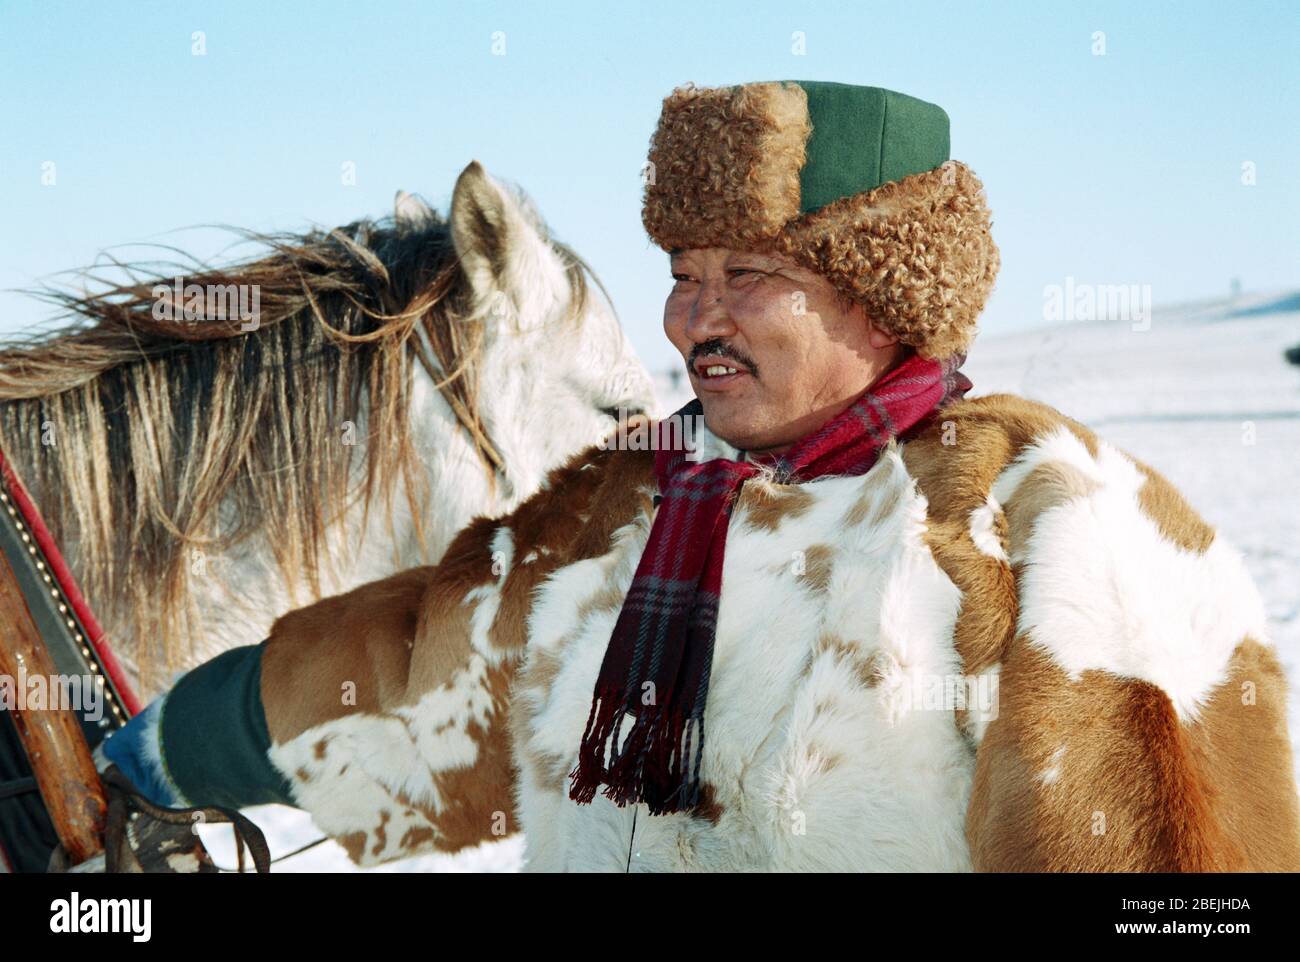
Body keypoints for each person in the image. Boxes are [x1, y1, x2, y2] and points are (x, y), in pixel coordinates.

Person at [104, 80, 1300, 872]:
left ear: (881, 294)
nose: (695, 319)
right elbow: (432, 670)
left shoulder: (1046, 518)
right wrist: (173, 747)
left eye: (751, 274)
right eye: (685, 271)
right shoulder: (640, 495)